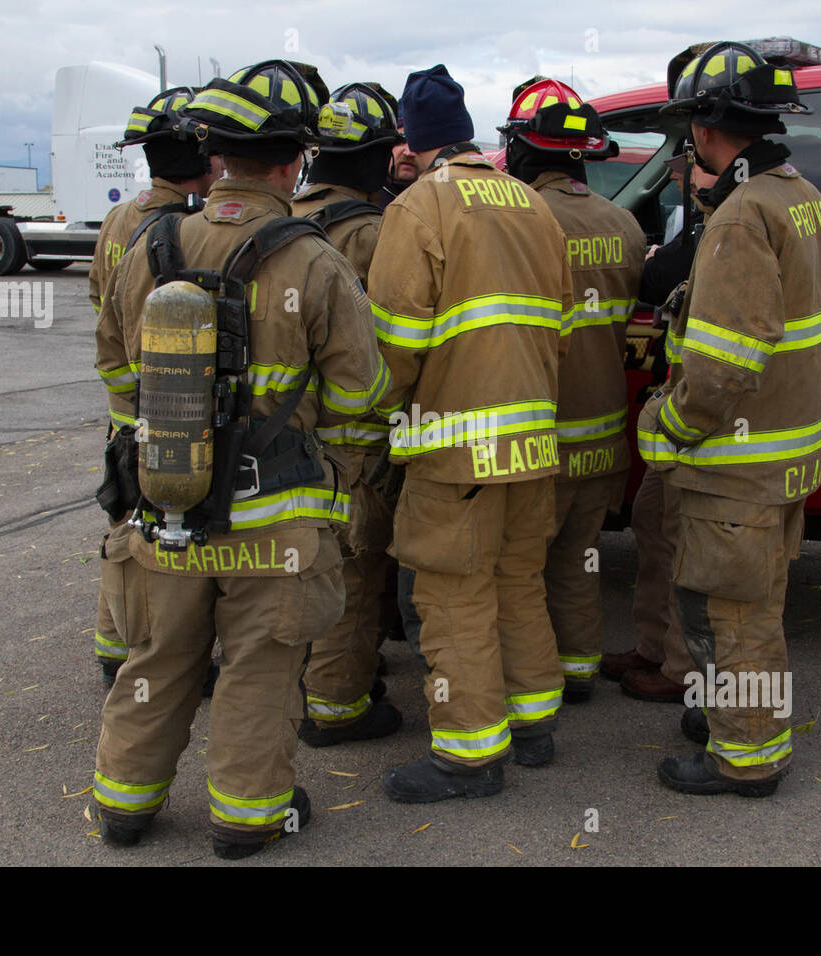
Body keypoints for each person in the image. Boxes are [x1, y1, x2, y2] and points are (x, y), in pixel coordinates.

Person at [91, 59, 390, 857]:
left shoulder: (148, 243)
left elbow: (117, 370)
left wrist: (162, 437)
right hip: (276, 520)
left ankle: (123, 806)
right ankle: (246, 819)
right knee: (259, 670)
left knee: (158, 660)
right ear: (294, 161)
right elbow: (363, 392)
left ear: (214, 154)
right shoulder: (314, 257)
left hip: (164, 503)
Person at [638, 41, 821, 796]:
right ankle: (726, 718)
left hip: (737, 465)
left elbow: (724, 363)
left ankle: (747, 758)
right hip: (786, 456)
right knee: (754, 601)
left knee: (734, 614)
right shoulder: (805, 199)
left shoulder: (741, 216)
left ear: (705, 128)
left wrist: (670, 424)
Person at [368, 64, 576, 802]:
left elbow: (394, 342)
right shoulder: (529, 203)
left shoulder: (419, 208)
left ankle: (468, 755)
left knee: (453, 593)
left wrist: (370, 413)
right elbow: (560, 322)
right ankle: (531, 725)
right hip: (533, 442)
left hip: (455, 446)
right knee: (517, 580)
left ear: (410, 139)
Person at [499, 76, 645, 703]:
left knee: (521, 566)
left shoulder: (523, 224)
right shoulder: (625, 225)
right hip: (605, 432)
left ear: (527, 152)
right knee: (581, 559)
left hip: (545, 436)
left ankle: (532, 689)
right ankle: (580, 668)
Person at [90, 88, 223, 687]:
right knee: (162, 535)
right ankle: (153, 651)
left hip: (127, 406)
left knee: (124, 523)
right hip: (173, 407)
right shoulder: (182, 225)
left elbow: (102, 306)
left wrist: (125, 398)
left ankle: (114, 644)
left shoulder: (121, 216)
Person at [290, 82, 405, 746]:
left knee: (294, 564)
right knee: (355, 575)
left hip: (279, 441)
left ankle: (305, 676)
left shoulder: (279, 223)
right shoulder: (375, 234)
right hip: (354, 445)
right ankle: (338, 705)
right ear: (379, 157)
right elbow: (392, 346)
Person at [603, 139, 719, 704]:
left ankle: (679, 668)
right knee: (653, 518)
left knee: (680, 536)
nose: (676, 176)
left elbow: (657, 280)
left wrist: (675, 417)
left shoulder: (728, 225)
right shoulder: (709, 222)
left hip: (698, 420)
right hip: (683, 410)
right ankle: (654, 646)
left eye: (683, 164)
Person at [377, 128, 418, 208]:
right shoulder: (363, 196)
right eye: (400, 141)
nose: (408, 153)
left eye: (418, 143)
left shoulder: (439, 201)